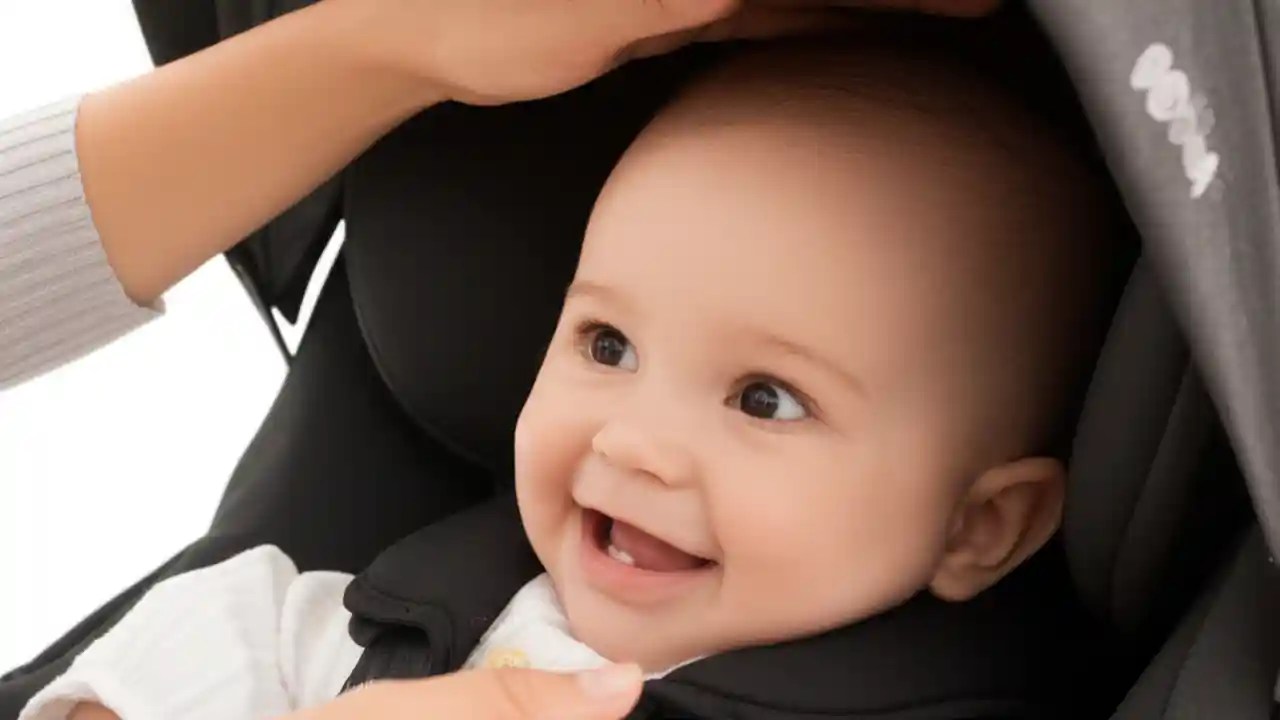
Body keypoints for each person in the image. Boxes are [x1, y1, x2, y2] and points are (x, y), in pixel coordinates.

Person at [18, 20, 1119, 720]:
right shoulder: (386, 619)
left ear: (979, 526)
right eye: (606, 346)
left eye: (764, 399)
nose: (628, 439)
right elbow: (222, 632)